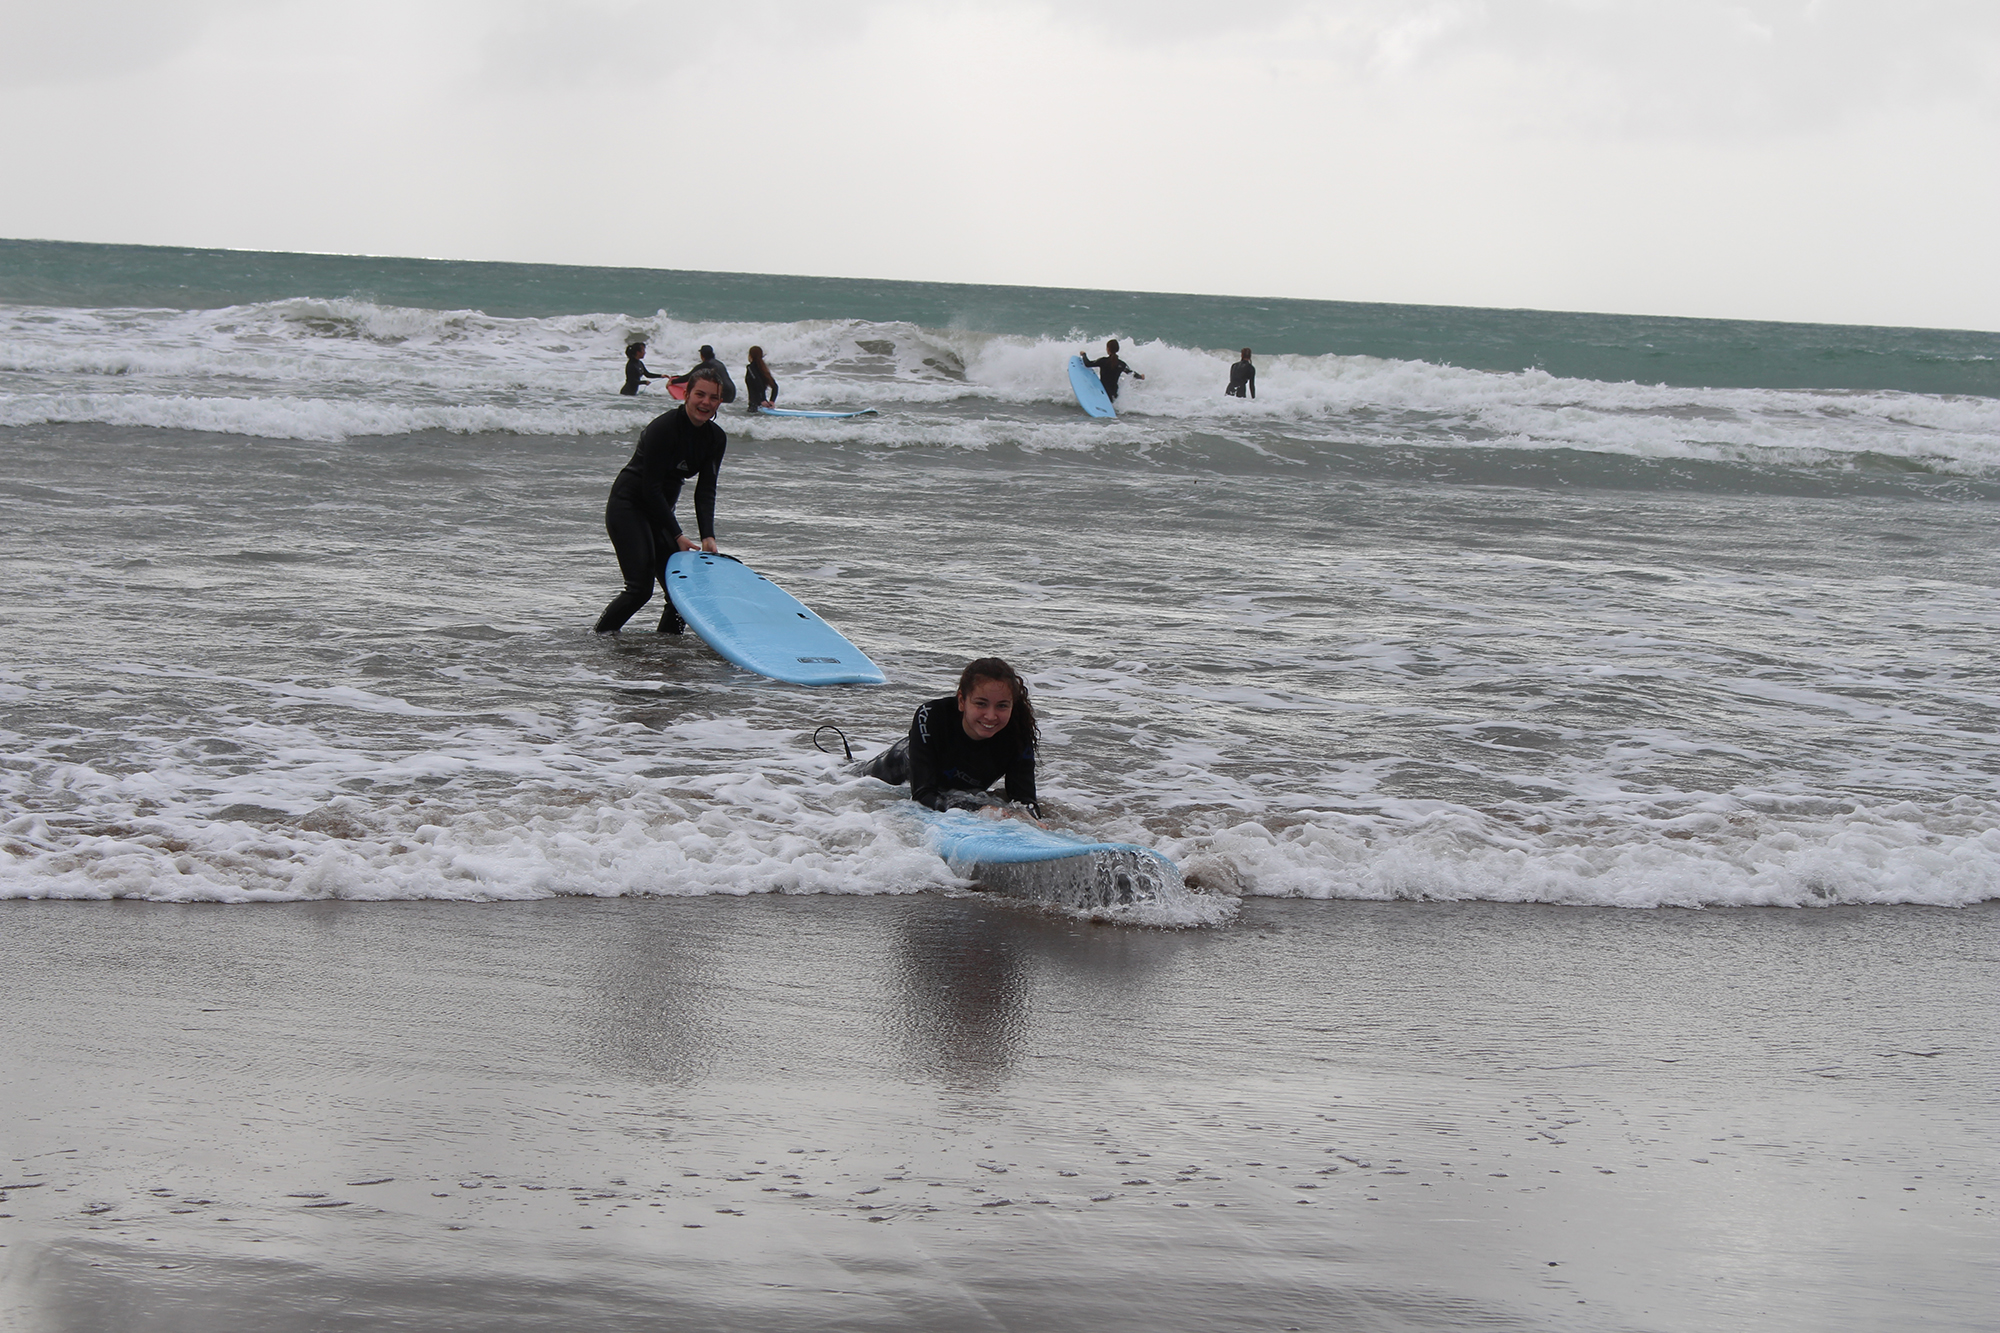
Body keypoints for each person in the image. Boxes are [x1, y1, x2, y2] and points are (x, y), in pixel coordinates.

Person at [593, 367, 728, 635]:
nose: (706, 402)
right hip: (629, 505)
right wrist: (676, 533)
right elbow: (650, 487)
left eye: (713, 398)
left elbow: (706, 489)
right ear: (686, 394)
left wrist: (708, 536)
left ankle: (667, 651)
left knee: (682, 594)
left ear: (719, 402)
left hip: (660, 512)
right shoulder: (663, 428)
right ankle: (599, 638)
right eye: (699, 394)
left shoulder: (715, 438)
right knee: (640, 589)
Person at [856, 657, 1041, 818]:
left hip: (947, 793)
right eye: (981, 704)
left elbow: (1024, 799)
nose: (991, 716)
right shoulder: (931, 715)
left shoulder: (1017, 732)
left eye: (1002, 706)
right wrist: (980, 809)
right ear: (962, 701)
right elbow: (922, 795)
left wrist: (1030, 819)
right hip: (878, 782)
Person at [669, 344, 737, 403]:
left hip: (723, 394)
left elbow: (689, 377)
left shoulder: (706, 364)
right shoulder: (719, 363)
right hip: (732, 392)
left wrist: (672, 382)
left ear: (702, 355)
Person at [744, 345, 779, 413]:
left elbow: (758, 383)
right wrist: (772, 401)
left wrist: (762, 400)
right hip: (762, 407)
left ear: (750, 356)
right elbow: (775, 387)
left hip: (754, 406)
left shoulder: (750, 368)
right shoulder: (763, 369)